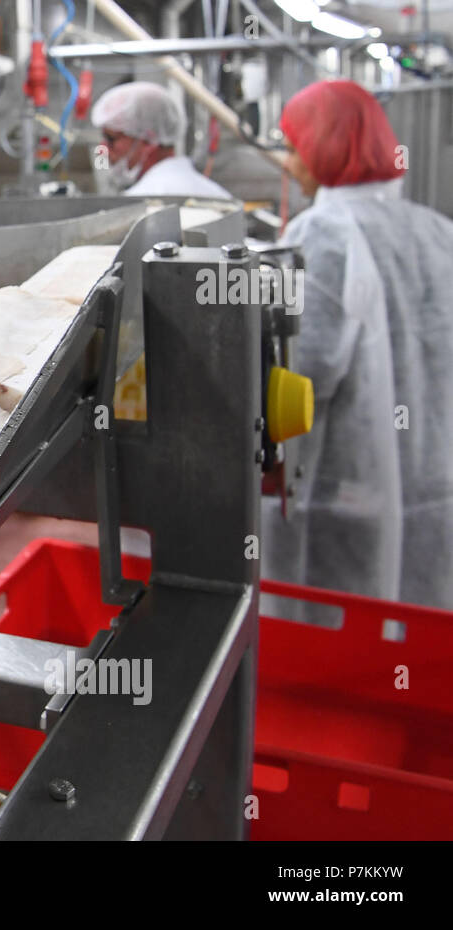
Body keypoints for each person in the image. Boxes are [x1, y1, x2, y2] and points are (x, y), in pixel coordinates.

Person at [265, 79, 453, 610]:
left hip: (344, 485)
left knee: (340, 627)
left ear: (322, 146)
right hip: (433, 479)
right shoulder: (438, 230)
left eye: (292, 145)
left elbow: (309, 368)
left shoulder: (323, 233)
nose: (287, 161)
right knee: (418, 624)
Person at [91, 81, 233, 199]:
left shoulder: (139, 204)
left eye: (111, 138)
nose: (103, 148)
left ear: (148, 141)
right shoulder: (218, 195)